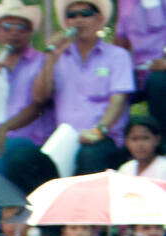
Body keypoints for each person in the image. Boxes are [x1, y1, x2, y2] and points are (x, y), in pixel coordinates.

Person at [33, 0, 134, 176]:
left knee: (89, 155)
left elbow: (118, 101)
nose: (78, 20)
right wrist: (51, 58)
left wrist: (98, 130)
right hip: (65, 141)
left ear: (98, 19)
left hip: (102, 138)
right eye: (72, 15)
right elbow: (40, 97)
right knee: (24, 159)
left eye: (85, 14)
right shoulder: (59, 58)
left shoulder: (117, 56)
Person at [0, 0, 56, 191]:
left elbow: (37, 104)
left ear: (30, 32)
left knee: (3, 153)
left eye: (21, 27)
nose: (14, 32)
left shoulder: (41, 61)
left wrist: (3, 130)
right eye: (6, 27)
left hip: (29, 139)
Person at [114, 0, 166, 133]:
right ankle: (119, 141)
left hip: (160, 72)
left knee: (158, 82)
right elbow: (120, 40)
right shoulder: (125, 2)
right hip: (136, 71)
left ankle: (161, 145)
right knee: (112, 83)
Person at [118, 114, 166, 180]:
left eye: (145, 138)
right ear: (126, 141)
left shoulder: (163, 167)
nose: (140, 144)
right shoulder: (126, 169)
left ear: (157, 139)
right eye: (134, 139)